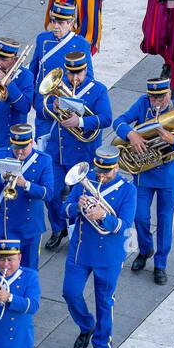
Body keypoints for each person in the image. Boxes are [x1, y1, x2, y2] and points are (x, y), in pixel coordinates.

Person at [114, 77, 174, 285]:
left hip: (168, 177)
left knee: (164, 221)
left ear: (169, 94)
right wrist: (131, 134)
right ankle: (145, 250)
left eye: (160, 97)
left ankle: (161, 264)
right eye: (153, 98)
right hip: (143, 174)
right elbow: (119, 121)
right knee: (139, 216)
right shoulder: (143, 104)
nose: (156, 102)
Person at [62, 147, 135, 348]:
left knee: (104, 301)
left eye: (107, 172)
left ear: (116, 167)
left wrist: (103, 216)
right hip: (80, 250)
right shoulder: (86, 181)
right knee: (70, 292)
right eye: (99, 170)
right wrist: (78, 207)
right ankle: (86, 325)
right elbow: (65, 209)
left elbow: (125, 225)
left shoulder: (127, 190)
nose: (101, 176)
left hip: (108, 254)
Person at [37, 50, 111, 251]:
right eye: (71, 74)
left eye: (79, 73)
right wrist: (52, 106)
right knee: (52, 193)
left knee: (82, 198)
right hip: (58, 151)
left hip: (82, 153)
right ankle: (59, 228)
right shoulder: (59, 89)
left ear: (86, 69)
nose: (75, 78)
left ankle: (80, 233)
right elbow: (43, 112)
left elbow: (106, 118)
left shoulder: (98, 90)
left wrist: (80, 121)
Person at [0, 124, 53, 270]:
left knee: (28, 270)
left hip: (30, 228)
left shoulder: (43, 160)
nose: (19, 152)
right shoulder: (1, 155)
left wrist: (26, 184)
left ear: (31, 142)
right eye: (16, 147)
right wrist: (1, 178)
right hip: (4, 226)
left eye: (23, 147)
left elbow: (48, 193)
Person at [29, 0, 94, 86]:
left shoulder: (81, 44)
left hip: (64, 95)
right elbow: (33, 69)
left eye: (60, 23)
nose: (56, 26)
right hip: (41, 95)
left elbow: (88, 77)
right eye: (53, 21)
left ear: (70, 24)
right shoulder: (42, 38)